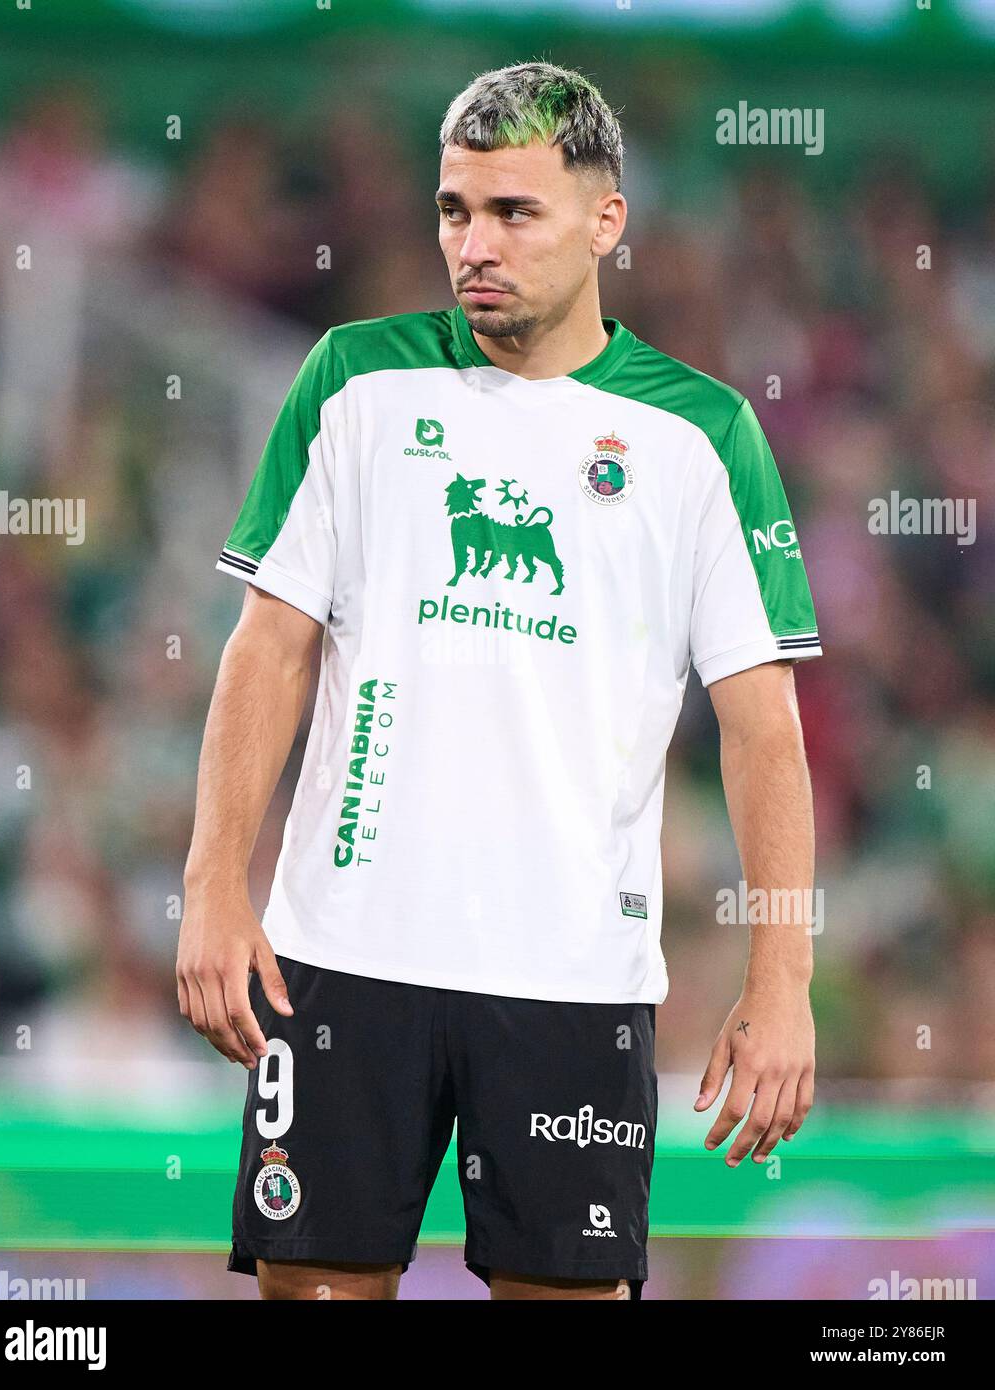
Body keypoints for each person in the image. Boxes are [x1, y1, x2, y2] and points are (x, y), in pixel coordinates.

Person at [177, 61, 821, 1301]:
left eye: (514, 212)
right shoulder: (353, 382)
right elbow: (268, 645)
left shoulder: (702, 439)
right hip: (340, 958)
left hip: (572, 978)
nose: (473, 246)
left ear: (604, 219)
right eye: (453, 210)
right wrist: (210, 885)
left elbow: (763, 732)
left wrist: (780, 977)